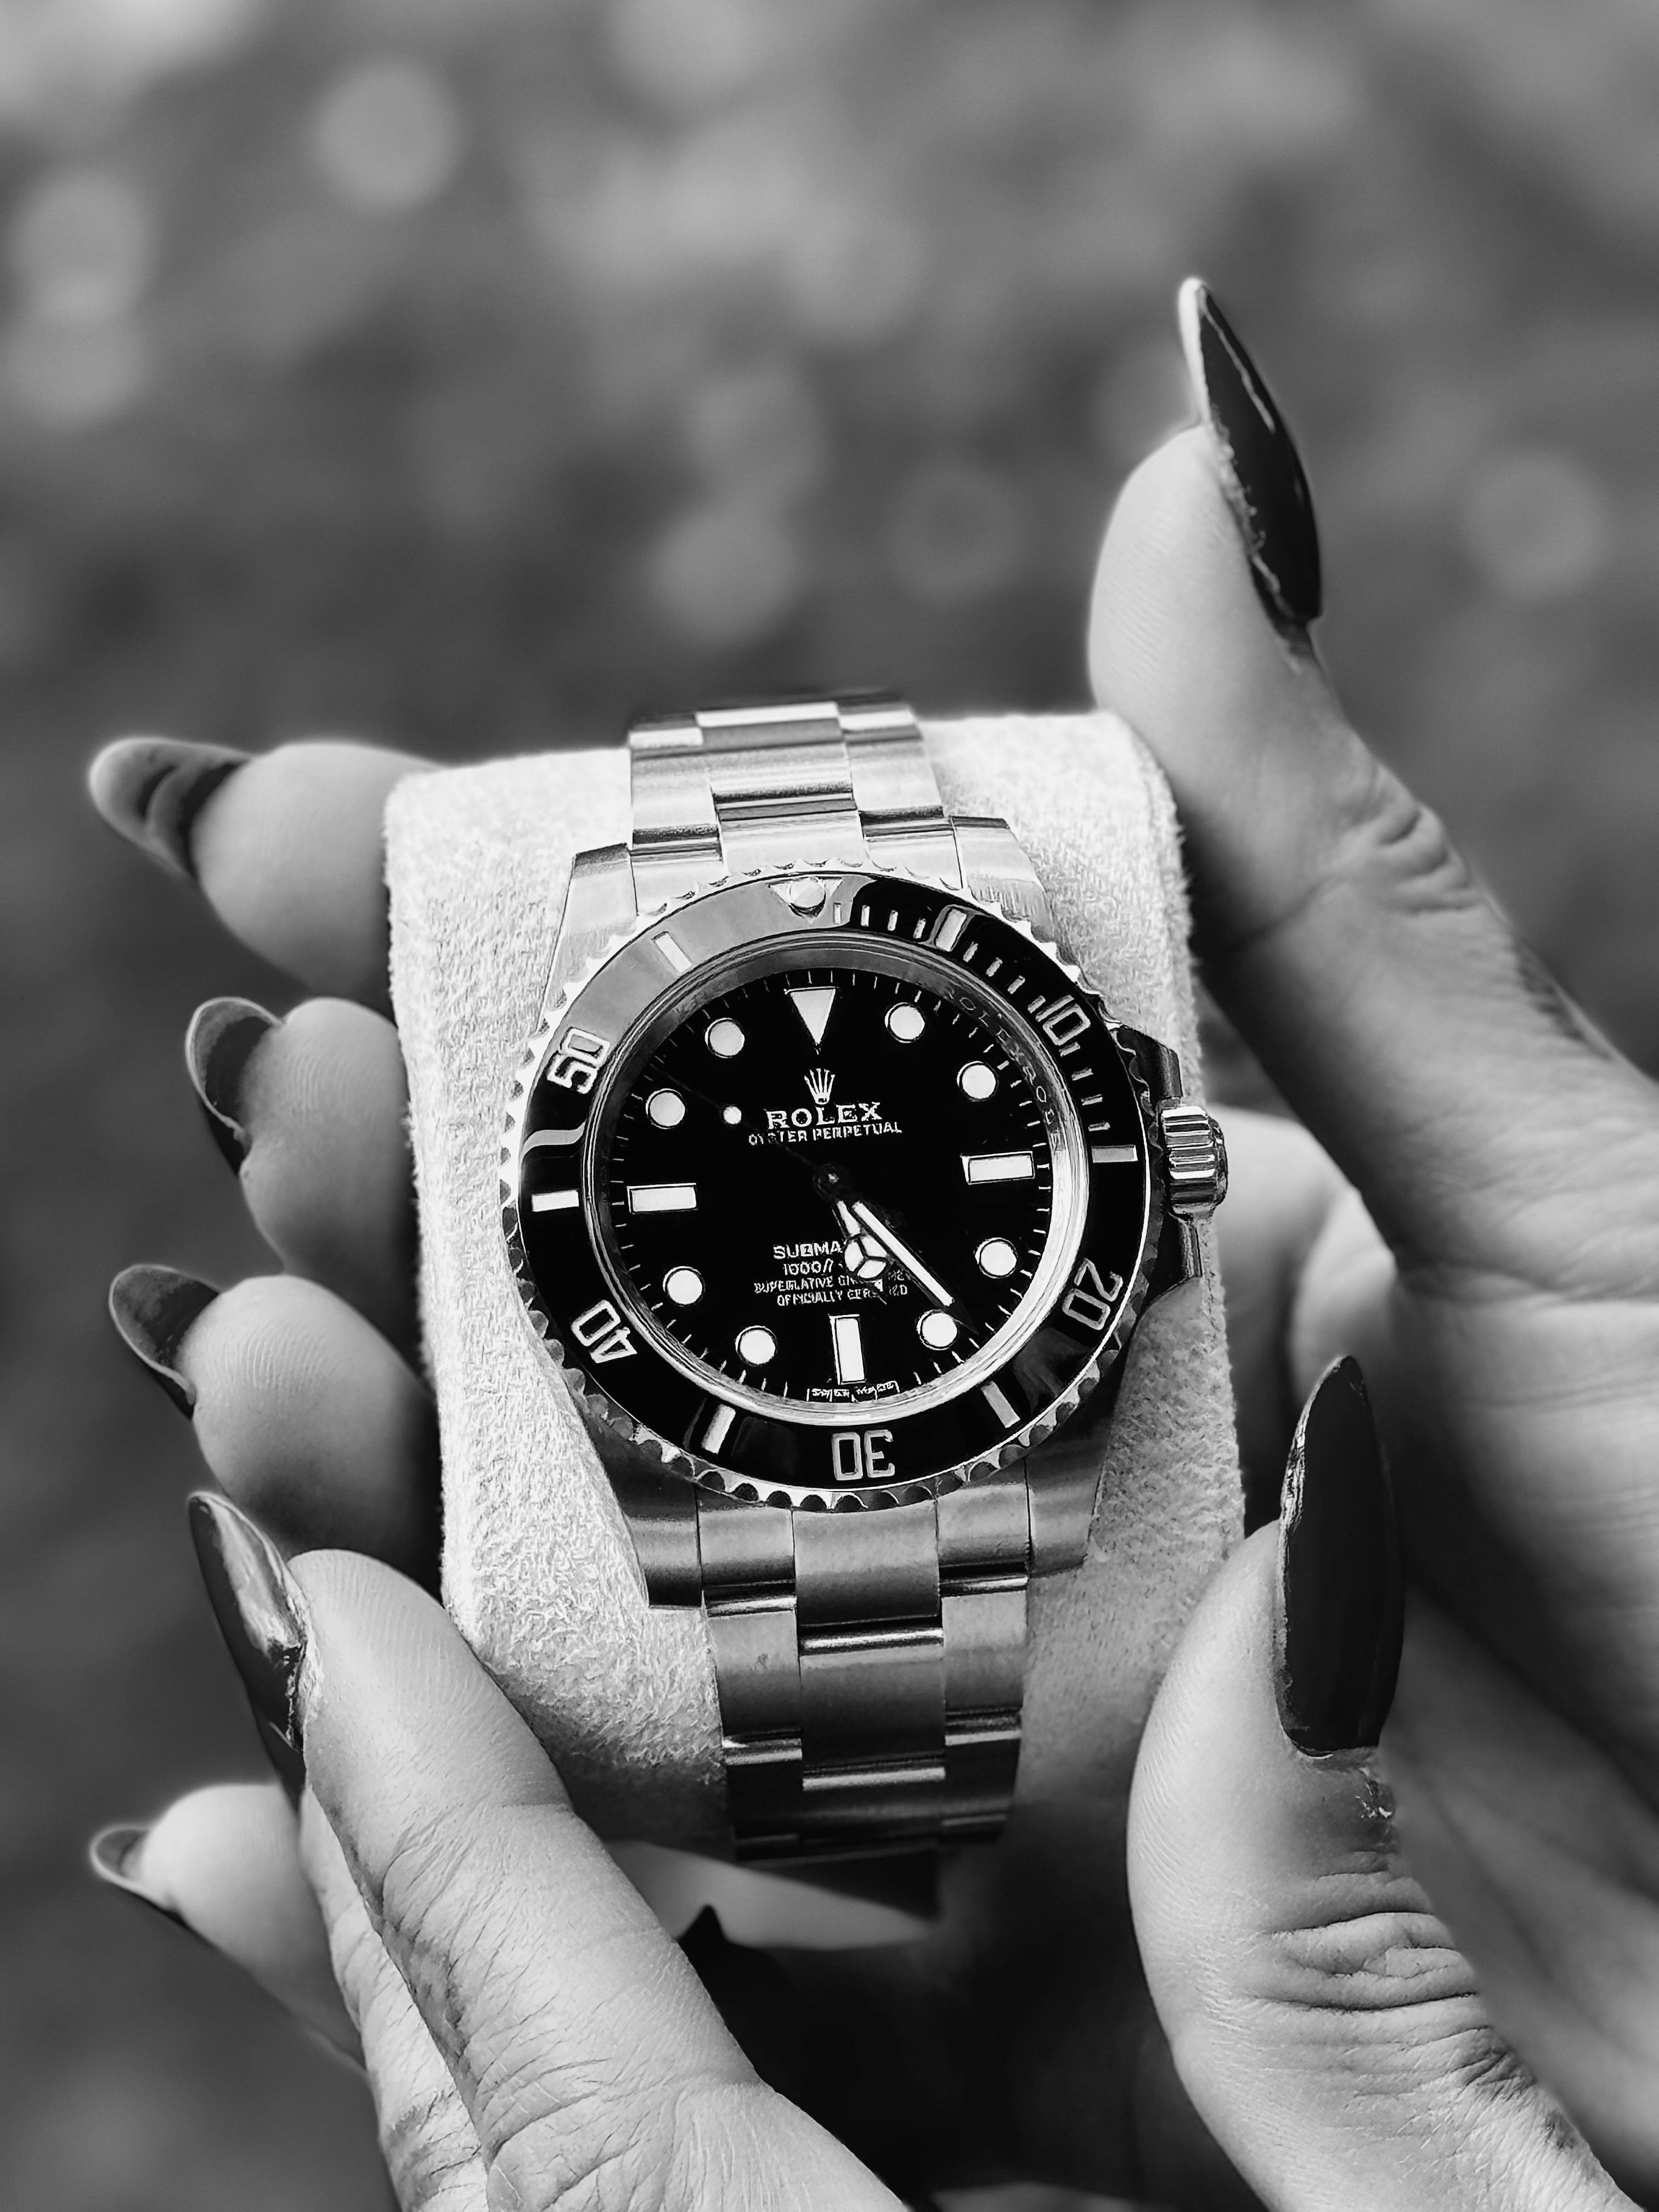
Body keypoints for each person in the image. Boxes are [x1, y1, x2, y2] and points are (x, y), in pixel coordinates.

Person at [83, 287, 1659, 2209]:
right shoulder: (887, 1147)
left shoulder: (1007, 1010)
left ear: (1159, 1170)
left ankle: (836, 1897)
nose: (827, 1201)